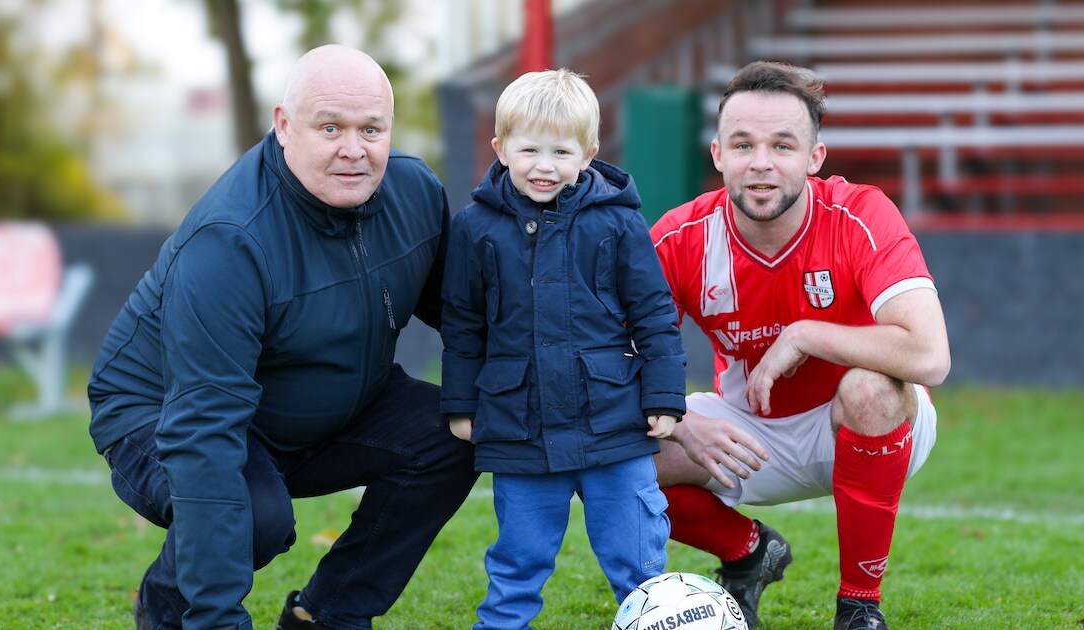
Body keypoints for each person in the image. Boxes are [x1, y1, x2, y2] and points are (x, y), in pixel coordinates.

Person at [87, 45, 478, 630]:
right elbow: (203, 433)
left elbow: (467, 319)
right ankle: (169, 610)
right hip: (168, 410)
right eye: (330, 127)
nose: (354, 149)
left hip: (324, 401)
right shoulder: (229, 243)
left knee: (457, 432)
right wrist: (217, 619)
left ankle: (325, 615)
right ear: (284, 125)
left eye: (371, 128)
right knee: (253, 516)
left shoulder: (415, 192)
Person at [649, 60, 950, 630]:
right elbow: (617, 360)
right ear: (717, 155)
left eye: (783, 145)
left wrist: (807, 335)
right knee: (608, 451)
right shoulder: (678, 237)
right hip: (747, 430)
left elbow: (930, 357)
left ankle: (859, 606)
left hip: (864, 418)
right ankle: (749, 551)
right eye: (743, 144)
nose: (761, 163)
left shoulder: (859, 214)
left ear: (814, 158)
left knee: (871, 389)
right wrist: (679, 420)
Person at [440, 68, 687, 628]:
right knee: (518, 562)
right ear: (500, 149)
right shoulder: (475, 228)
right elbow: (462, 323)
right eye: (528, 150)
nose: (544, 165)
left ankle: (658, 619)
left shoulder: (619, 222)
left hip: (614, 425)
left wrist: (664, 396)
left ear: (589, 153)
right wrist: (461, 404)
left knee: (637, 560)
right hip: (518, 425)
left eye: (561, 151)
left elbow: (653, 314)